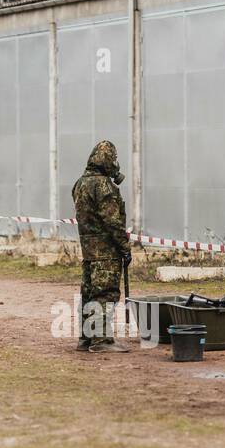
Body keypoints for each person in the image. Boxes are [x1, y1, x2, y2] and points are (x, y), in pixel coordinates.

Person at [72, 139, 131, 353]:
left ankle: (86, 338)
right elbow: (112, 221)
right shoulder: (103, 185)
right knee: (105, 294)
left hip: (88, 251)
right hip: (106, 252)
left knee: (89, 293)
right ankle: (102, 341)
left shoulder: (80, 183)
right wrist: (124, 247)